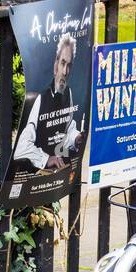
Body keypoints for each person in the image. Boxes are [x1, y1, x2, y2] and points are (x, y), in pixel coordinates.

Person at [13, 32, 84, 171]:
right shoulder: (40, 99)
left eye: (69, 65)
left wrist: (76, 138)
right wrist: (45, 159)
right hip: (36, 176)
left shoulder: (67, 93)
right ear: (55, 65)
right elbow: (21, 148)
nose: (65, 71)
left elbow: (67, 130)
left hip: (59, 171)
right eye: (63, 63)